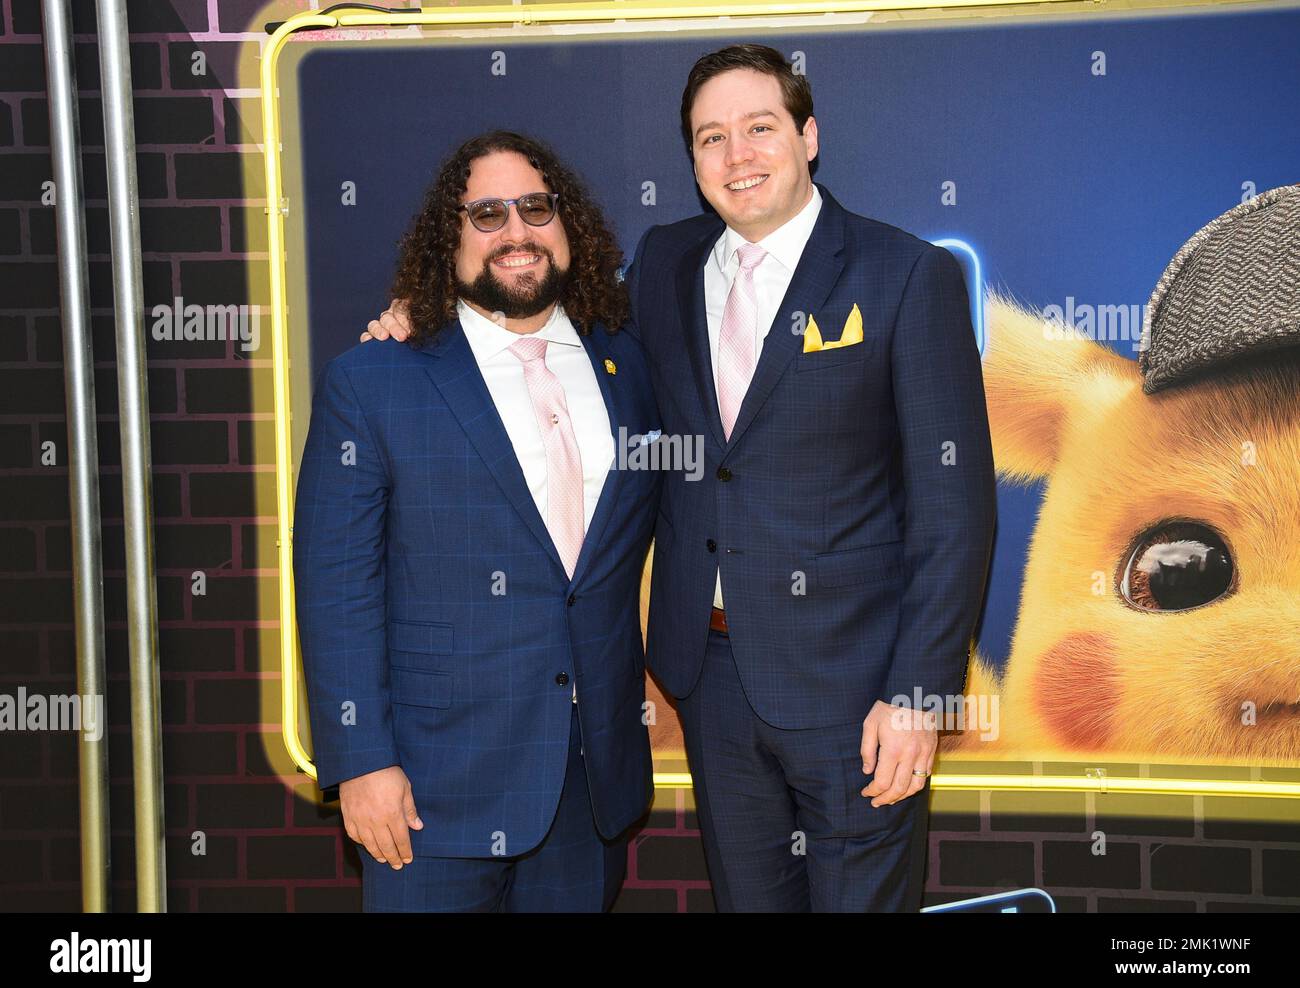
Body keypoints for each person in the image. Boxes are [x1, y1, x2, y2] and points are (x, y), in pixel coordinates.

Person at [364, 44, 996, 912]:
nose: (738, 156)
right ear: (692, 161)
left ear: (809, 137)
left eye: (760, 128)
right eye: (711, 138)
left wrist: (917, 696)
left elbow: (954, 511)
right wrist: (418, 317)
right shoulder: (664, 264)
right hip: (710, 680)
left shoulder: (906, 275)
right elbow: (540, 314)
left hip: (859, 693)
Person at [297, 130, 662, 911]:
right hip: (428, 793)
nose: (516, 231)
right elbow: (335, 587)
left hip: (588, 783)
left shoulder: (628, 364)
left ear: (568, 224)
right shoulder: (373, 381)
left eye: (535, 207)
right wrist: (360, 762)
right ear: (449, 239)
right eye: (486, 214)